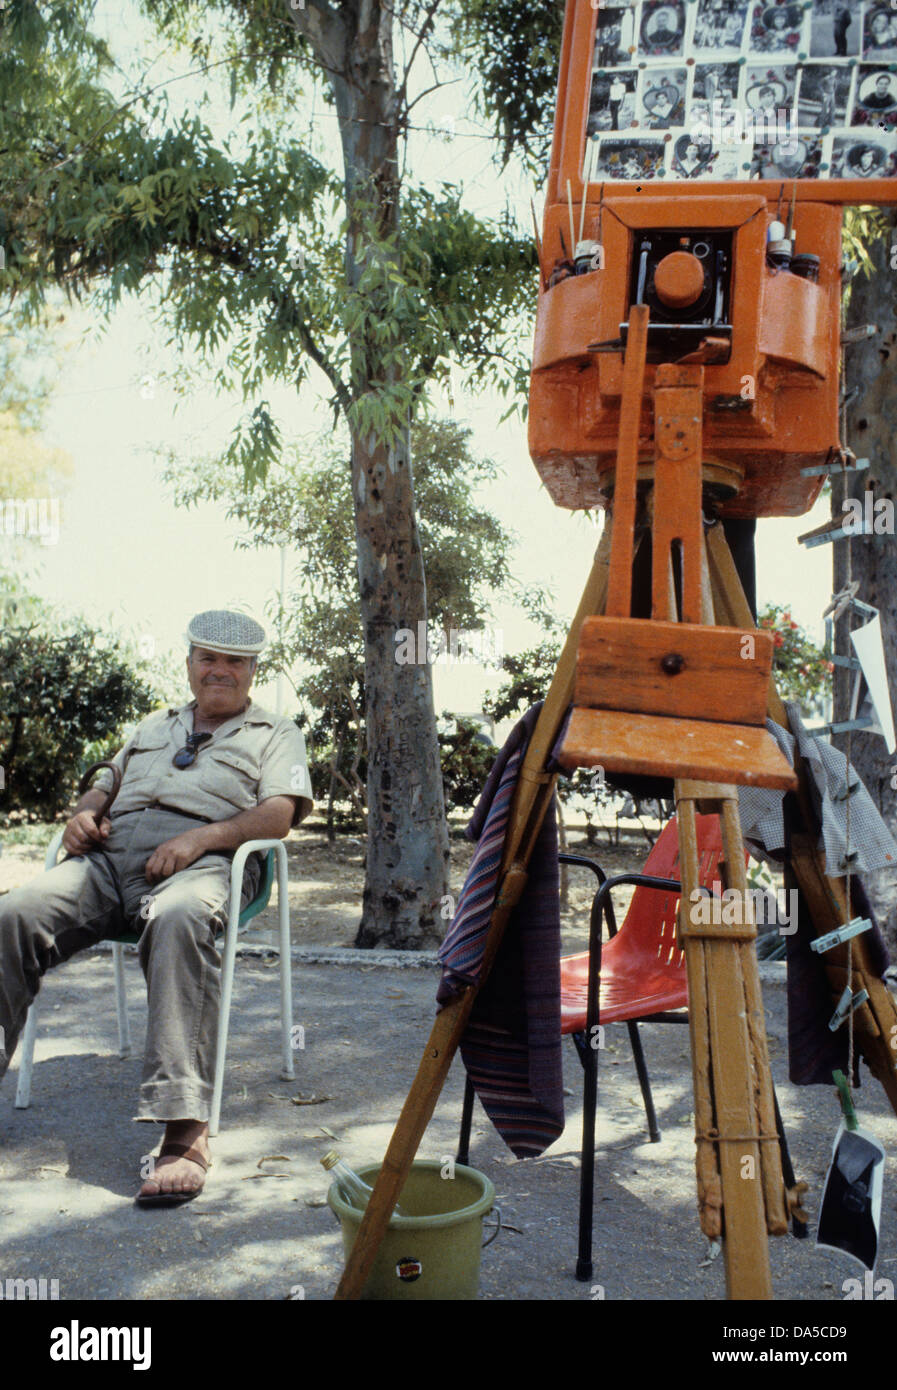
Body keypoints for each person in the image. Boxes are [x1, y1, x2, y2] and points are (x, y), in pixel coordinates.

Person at [0, 610, 313, 1205]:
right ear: (189, 663)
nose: (219, 671)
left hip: (204, 860)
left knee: (179, 918)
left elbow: (278, 816)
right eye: (208, 659)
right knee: (12, 913)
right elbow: (106, 782)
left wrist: (199, 839)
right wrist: (85, 812)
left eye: (235, 662)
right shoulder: (153, 724)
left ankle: (185, 1132)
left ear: (253, 671)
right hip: (106, 862)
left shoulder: (275, 732)